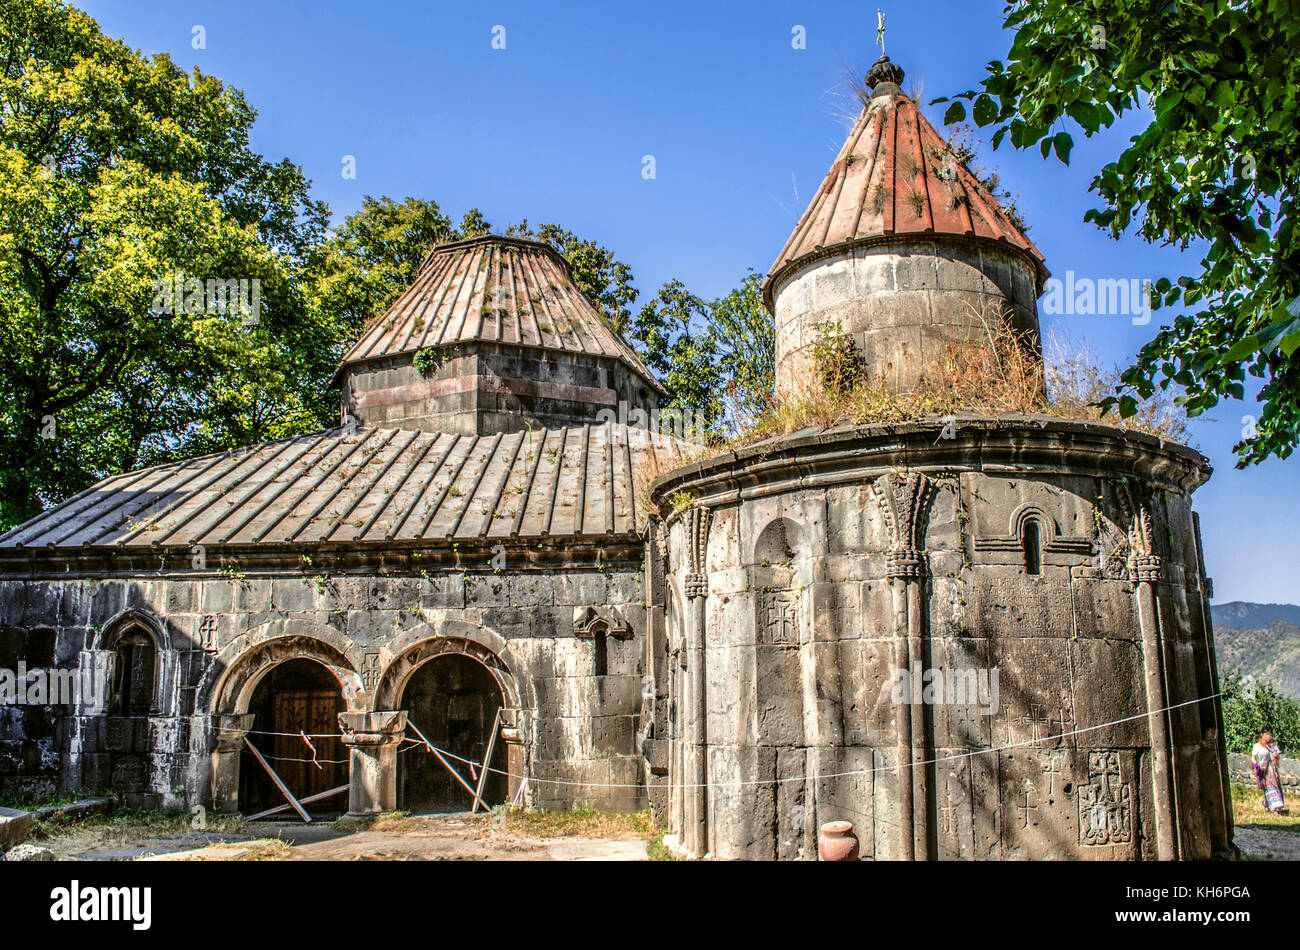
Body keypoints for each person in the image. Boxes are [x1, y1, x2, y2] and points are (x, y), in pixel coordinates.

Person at [1252, 729, 1286, 814]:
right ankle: (1271, 806)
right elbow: (1253, 757)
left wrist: (1276, 756)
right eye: (1267, 734)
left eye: (1270, 735)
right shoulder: (1257, 746)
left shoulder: (1273, 746)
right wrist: (1256, 766)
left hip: (1272, 770)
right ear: (1262, 735)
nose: (1268, 737)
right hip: (1263, 769)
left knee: (1274, 787)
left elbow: (1277, 760)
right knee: (1266, 787)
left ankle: (1274, 807)